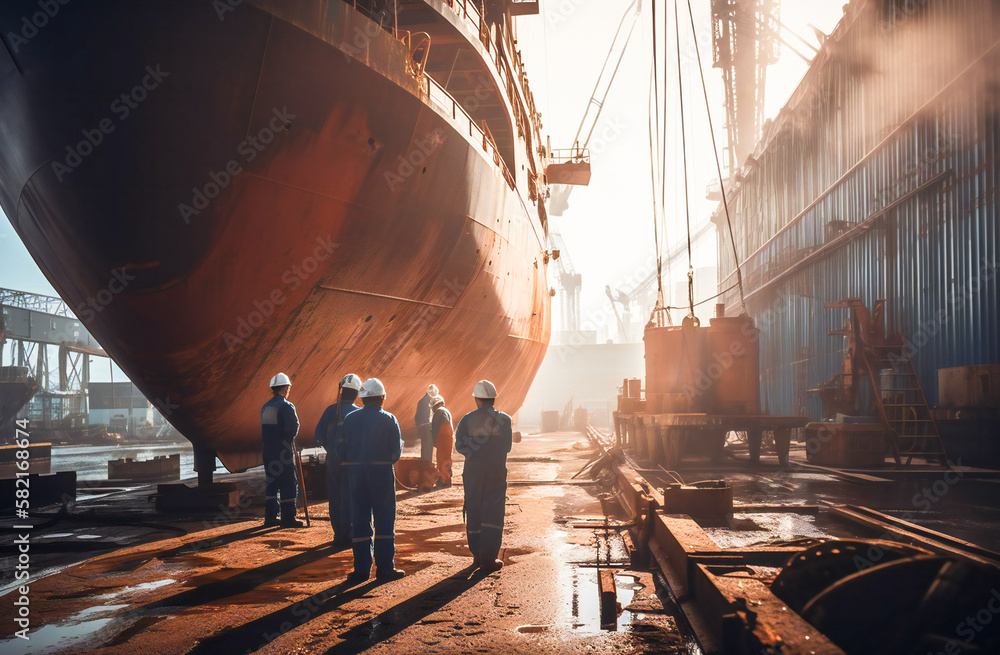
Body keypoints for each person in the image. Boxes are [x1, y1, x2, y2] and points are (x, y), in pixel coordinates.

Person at [339, 377, 405, 584]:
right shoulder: (389, 419)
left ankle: (361, 570)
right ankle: (385, 568)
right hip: (382, 476)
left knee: (359, 520)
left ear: (362, 397)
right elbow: (396, 453)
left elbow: (341, 449)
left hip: (357, 475)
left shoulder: (350, 419)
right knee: (384, 520)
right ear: (383, 397)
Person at [455, 379, 512, 572]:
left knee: (474, 510)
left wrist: (474, 454)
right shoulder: (505, 419)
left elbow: (460, 447)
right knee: (493, 513)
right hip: (496, 472)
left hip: (473, 473)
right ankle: (489, 558)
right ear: (493, 399)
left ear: (477, 400)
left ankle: (477, 557)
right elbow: (508, 447)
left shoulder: (467, 419)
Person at [314, 373, 362, 547]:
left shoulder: (330, 410)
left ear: (341, 391)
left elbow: (318, 435)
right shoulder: (359, 413)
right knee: (351, 497)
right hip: (352, 464)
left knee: (335, 497)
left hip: (333, 462)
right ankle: (349, 535)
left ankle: (338, 535)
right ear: (357, 393)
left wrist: (332, 448)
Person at [261, 372, 303, 528]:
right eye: (288, 387)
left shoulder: (265, 407)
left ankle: (270, 518)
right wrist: (289, 439)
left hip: (268, 452)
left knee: (272, 483)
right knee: (288, 484)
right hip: (283, 452)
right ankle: (288, 518)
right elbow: (293, 427)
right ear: (285, 388)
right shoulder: (287, 405)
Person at [430, 395, 454, 486]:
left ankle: (445, 481)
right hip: (448, 439)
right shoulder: (446, 411)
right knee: (447, 460)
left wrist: (435, 441)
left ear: (435, 405)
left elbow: (437, 428)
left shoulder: (439, 412)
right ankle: (446, 478)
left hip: (442, 440)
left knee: (441, 460)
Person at [414, 383, 439, 461]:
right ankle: (427, 464)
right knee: (428, 448)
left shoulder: (421, 401)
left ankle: (424, 464)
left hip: (423, 428)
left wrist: (419, 427)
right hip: (428, 429)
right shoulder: (428, 402)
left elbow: (417, 417)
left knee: (424, 448)